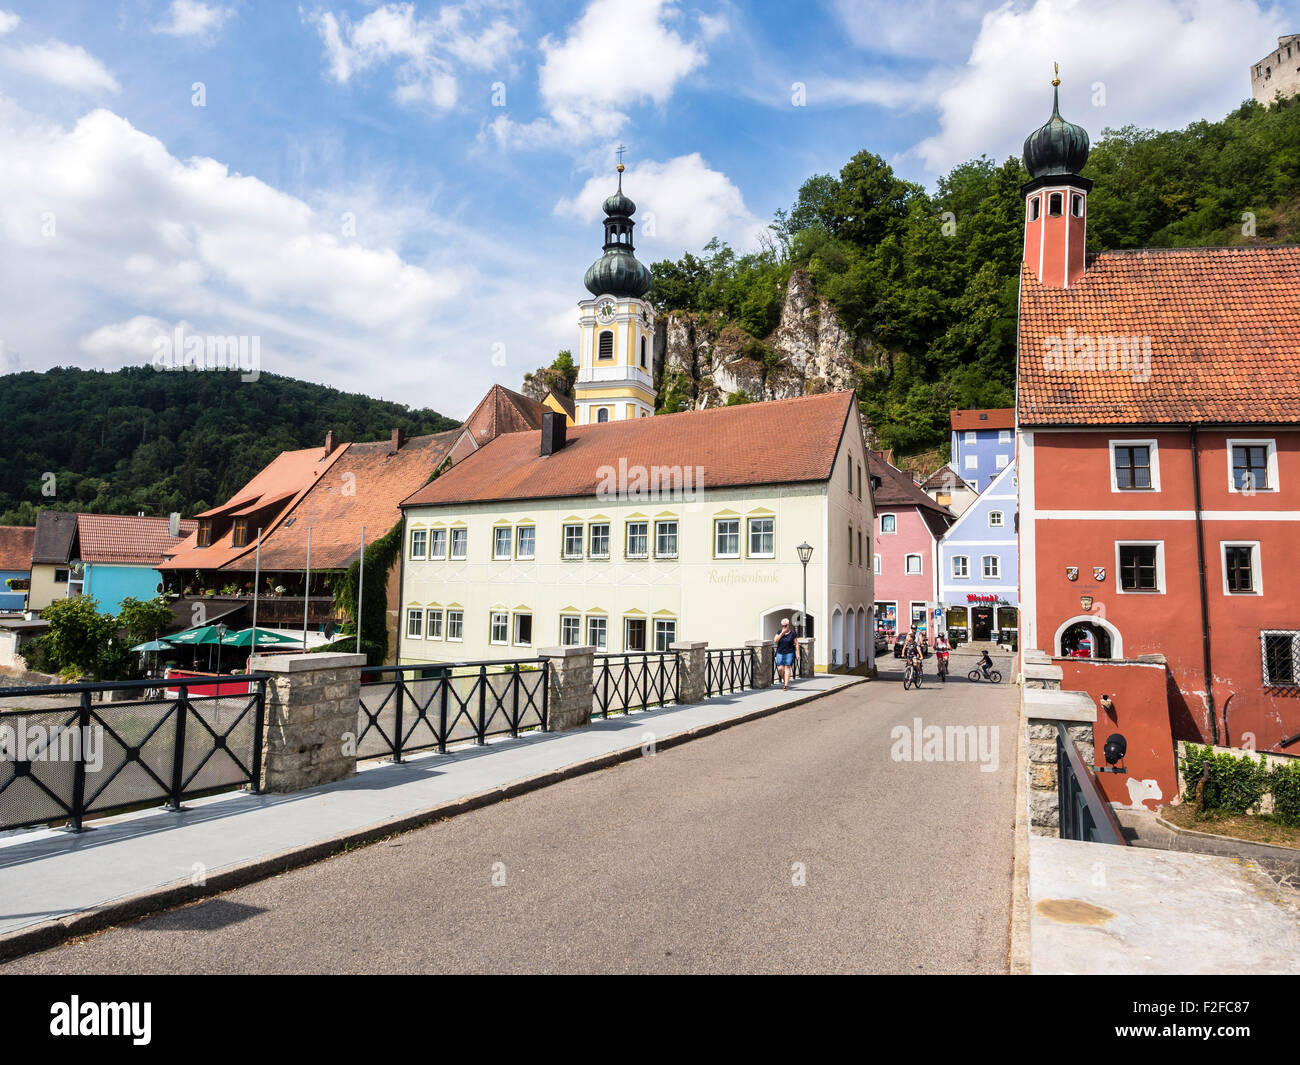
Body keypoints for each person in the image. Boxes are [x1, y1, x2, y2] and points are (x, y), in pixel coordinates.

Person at [774, 618, 798, 691]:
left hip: (789, 652)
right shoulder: (779, 632)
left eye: (785, 625)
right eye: (783, 625)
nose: (784, 627)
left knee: (787, 667)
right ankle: (785, 680)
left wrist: (798, 654)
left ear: (788, 625)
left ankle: (786, 685)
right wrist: (782, 633)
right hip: (780, 652)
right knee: (780, 668)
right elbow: (775, 640)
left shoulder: (793, 633)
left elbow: (796, 644)